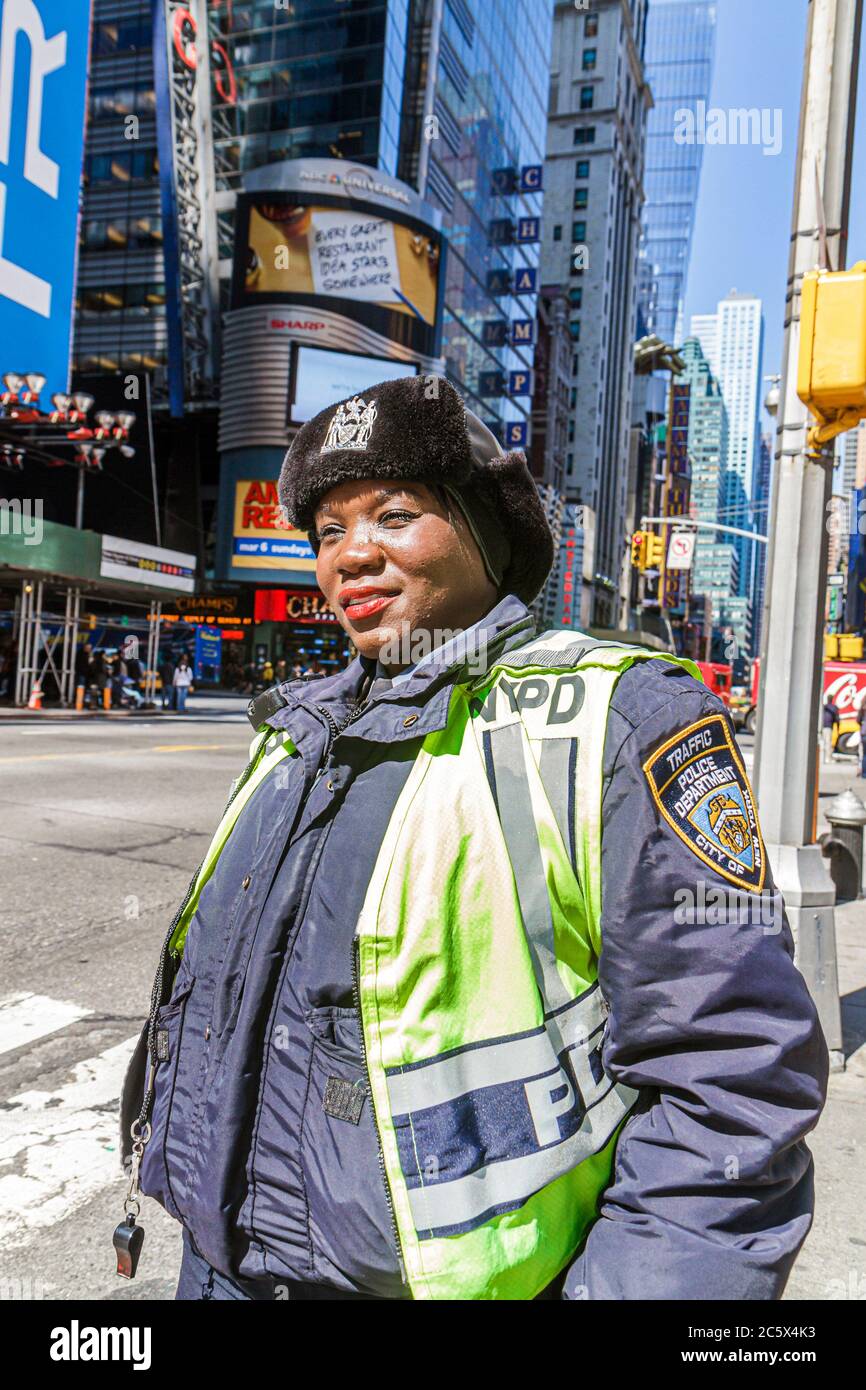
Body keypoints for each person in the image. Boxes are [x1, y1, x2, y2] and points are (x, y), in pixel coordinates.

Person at [122, 375, 827, 1302]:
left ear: (482, 535)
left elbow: (732, 1088)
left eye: (395, 514)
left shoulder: (618, 718)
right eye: (330, 531)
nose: (352, 556)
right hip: (222, 1273)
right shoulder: (293, 731)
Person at [822, 694, 840, 763]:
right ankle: (827, 758)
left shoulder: (824, 707)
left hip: (823, 726)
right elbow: (837, 719)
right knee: (828, 743)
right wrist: (838, 727)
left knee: (824, 742)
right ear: (832, 699)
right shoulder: (834, 707)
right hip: (829, 727)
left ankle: (824, 758)